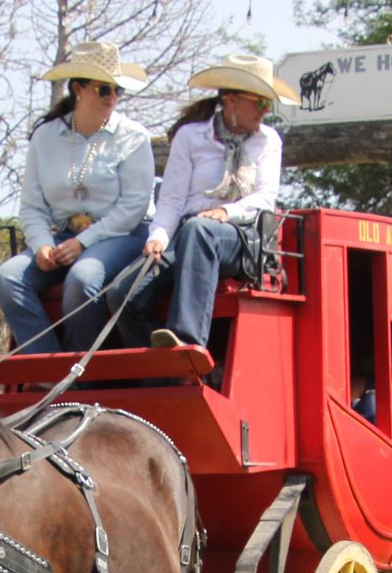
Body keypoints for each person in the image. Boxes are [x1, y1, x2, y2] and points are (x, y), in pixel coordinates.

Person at [113, 53, 297, 352]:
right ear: (231, 99)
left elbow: (265, 197)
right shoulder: (190, 136)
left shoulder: (269, 140)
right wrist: (158, 236)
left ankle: (187, 342)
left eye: (269, 104)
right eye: (260, 102)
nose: (265, 111)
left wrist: (225, 211)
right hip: (188, 233)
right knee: (123, 295)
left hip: (242, 238)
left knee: (200, 229)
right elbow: (172, 199)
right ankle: (167, 377)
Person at [0, 41, 154, 353]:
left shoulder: (132, 136)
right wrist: (41, 245)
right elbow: (32, 206)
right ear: (78, 89)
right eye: (104, 89)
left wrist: (83, 243)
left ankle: (82, 376)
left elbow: (134, 207)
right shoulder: (46, 136)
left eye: (118, 90)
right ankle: (47, 365)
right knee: (8, 277)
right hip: (64, 236)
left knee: (82, 278)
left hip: (124, 233)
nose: (113, 98)